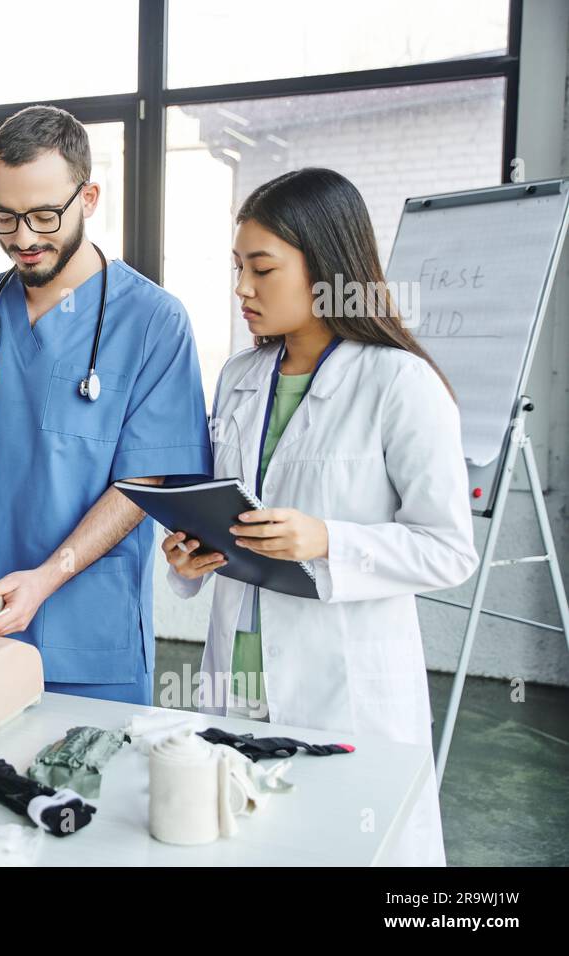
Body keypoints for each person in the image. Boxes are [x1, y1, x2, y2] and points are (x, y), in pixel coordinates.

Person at [162, 167, 478, 865]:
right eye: (237, 267)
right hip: (237, 675)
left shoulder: (400, 383)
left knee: (345, 846)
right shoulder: (239, 378)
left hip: (342, 684)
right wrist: (191, 555)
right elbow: (231, 510)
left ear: (327, 267)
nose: (242, 288)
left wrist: (328, 539)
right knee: (241, 844)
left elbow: (450, 550)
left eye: (263, 268)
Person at [0, 106, 213, 704]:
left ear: (88, 197)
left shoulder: (152, 321)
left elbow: (144, 479)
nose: (23, 238)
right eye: (4, 217)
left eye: (43, 215)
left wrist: (45, 579)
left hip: (92, 638)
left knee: (96, 792)